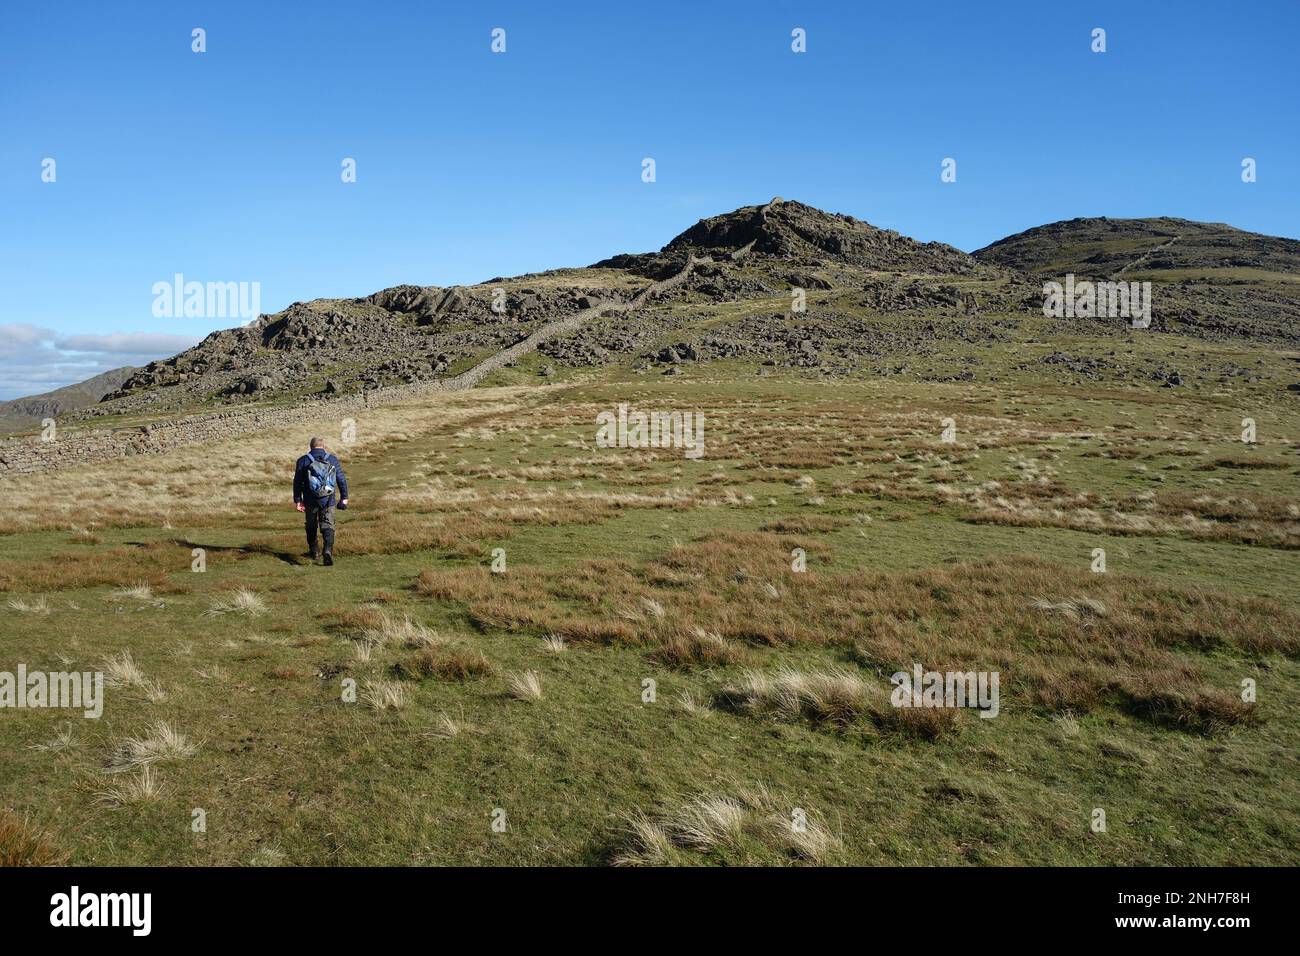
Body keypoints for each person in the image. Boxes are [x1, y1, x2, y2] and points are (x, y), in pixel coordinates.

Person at [293, 437, 349, 565]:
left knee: (311, 525)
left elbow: (297, 482)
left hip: (309, 500)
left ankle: (314, 550)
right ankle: (327, 550)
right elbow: (341, 479)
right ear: (323, 446)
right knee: (328, 525)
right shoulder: (332, 459)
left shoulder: (303, 460)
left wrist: (298, 500)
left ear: (311, 447)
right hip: (328, 499)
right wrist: (344, 498)